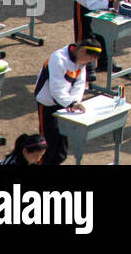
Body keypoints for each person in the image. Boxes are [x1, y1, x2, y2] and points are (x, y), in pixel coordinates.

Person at [33, 35, 103, 165]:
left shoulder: (81, 61)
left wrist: (75, 101)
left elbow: (80, 83)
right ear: (82, 51)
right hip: (48, 103)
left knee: (61, 144)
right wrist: (71, 103)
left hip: (66, 104)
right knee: (48, 141)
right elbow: (56, 89)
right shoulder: (58, 59)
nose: (87, 63)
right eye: (88, 59)